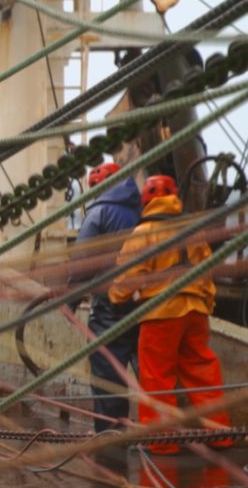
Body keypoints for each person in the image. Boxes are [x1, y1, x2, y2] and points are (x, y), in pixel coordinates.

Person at [108, 175, 233, 455]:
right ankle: (220, 435)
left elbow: (129, 276)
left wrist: (117, 298)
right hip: (196, 311)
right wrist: (206, 305)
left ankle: (162, 442)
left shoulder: (145, 232)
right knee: (203, 373)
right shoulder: (192, 230)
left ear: (147, 201)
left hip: (162, 312)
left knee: (157, 376)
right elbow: (207, 270)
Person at [73, 162, 142, 433]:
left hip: (109, 306)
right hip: (143, 303)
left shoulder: (98, 213)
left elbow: (81, 263)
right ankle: (163, 435)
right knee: (150, 372)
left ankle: (110, 435)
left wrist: (68, 303)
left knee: (107, 372)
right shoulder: (142, 210)